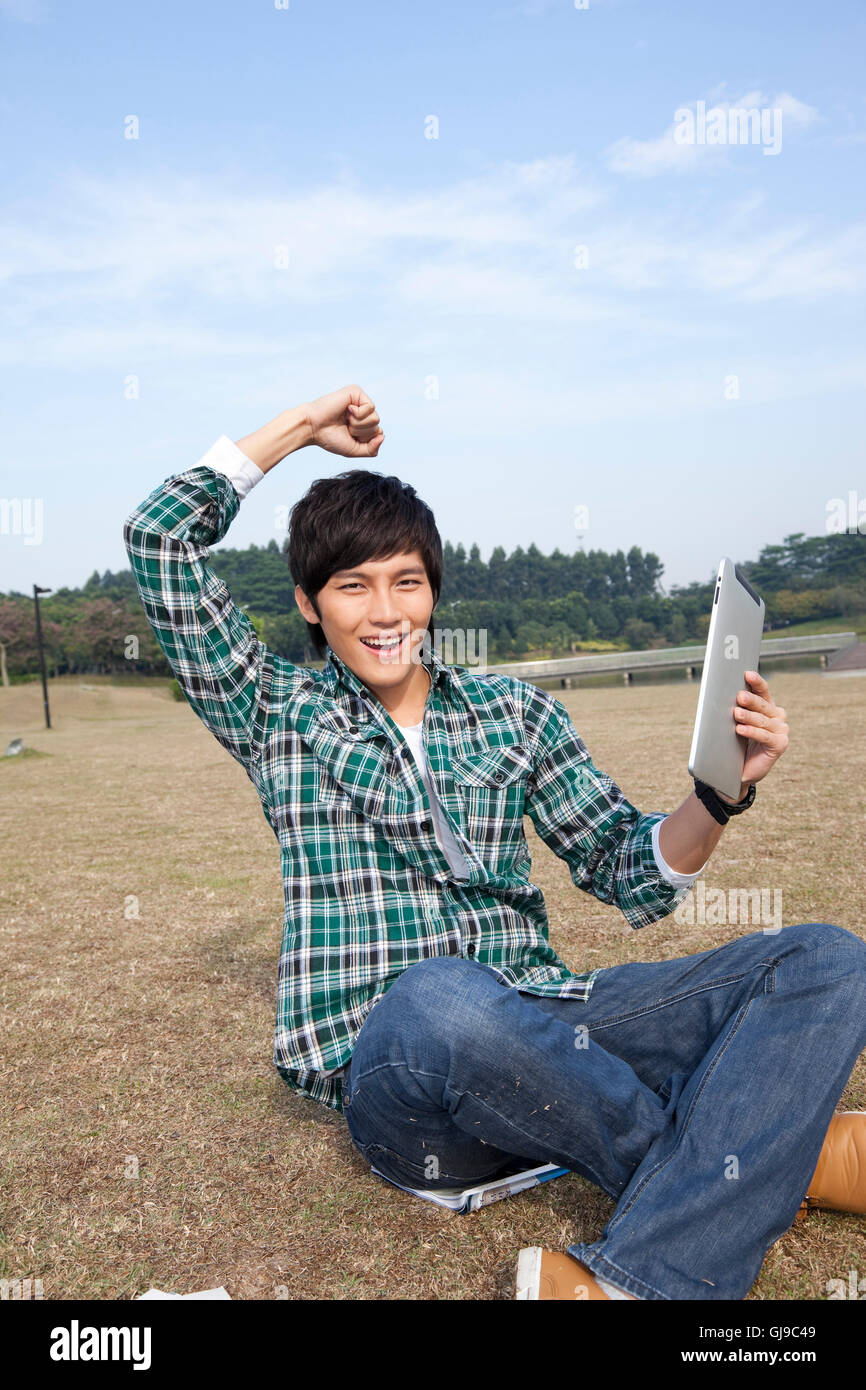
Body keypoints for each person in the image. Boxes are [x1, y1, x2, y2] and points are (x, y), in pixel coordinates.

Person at [122, 385, 866, 1302]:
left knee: (826, 961)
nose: (386, 610)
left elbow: (630, 868)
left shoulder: (514, 713)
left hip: (546, 1018)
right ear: (311, 607)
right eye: (353, 586)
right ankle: (762, 1170)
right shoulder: (274, 709)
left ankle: (651, 1267)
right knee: (442, 994)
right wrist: (304, 430)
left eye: (407, 581)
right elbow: (159, 539)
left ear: (433, 590)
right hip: (401, 1068)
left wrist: (719, 792)